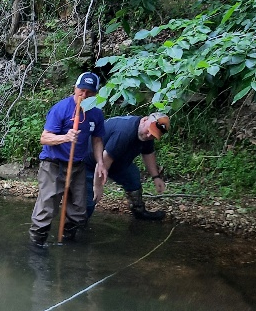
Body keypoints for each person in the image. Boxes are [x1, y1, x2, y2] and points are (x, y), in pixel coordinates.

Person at [29, 72, 107, 247]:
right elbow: (45, 138)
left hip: (77, 165)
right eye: (82, 90)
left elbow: (97, 140)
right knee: (47, 206)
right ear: (75, 88)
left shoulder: (95, 113)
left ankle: (67, 244)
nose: (84, 95)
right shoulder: (61, 108)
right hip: (53, 164)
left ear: (95, 94)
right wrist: (65, 137)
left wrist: (100, 163)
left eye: (89, 93)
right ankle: (37, 246)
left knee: (79, 208)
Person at [84, 112, 170, 221]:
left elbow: (148, 153)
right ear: (144, 120)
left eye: (153, 135)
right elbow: (102, 164)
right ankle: (76, 226)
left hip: (117, 161)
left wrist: (156, 177)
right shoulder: (124, 133)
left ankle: (139, 212)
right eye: (149, 131)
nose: (149, 135)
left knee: (133, 178)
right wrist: (98, 187)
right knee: (90, 199)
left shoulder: (147, 135)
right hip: (91, 162)